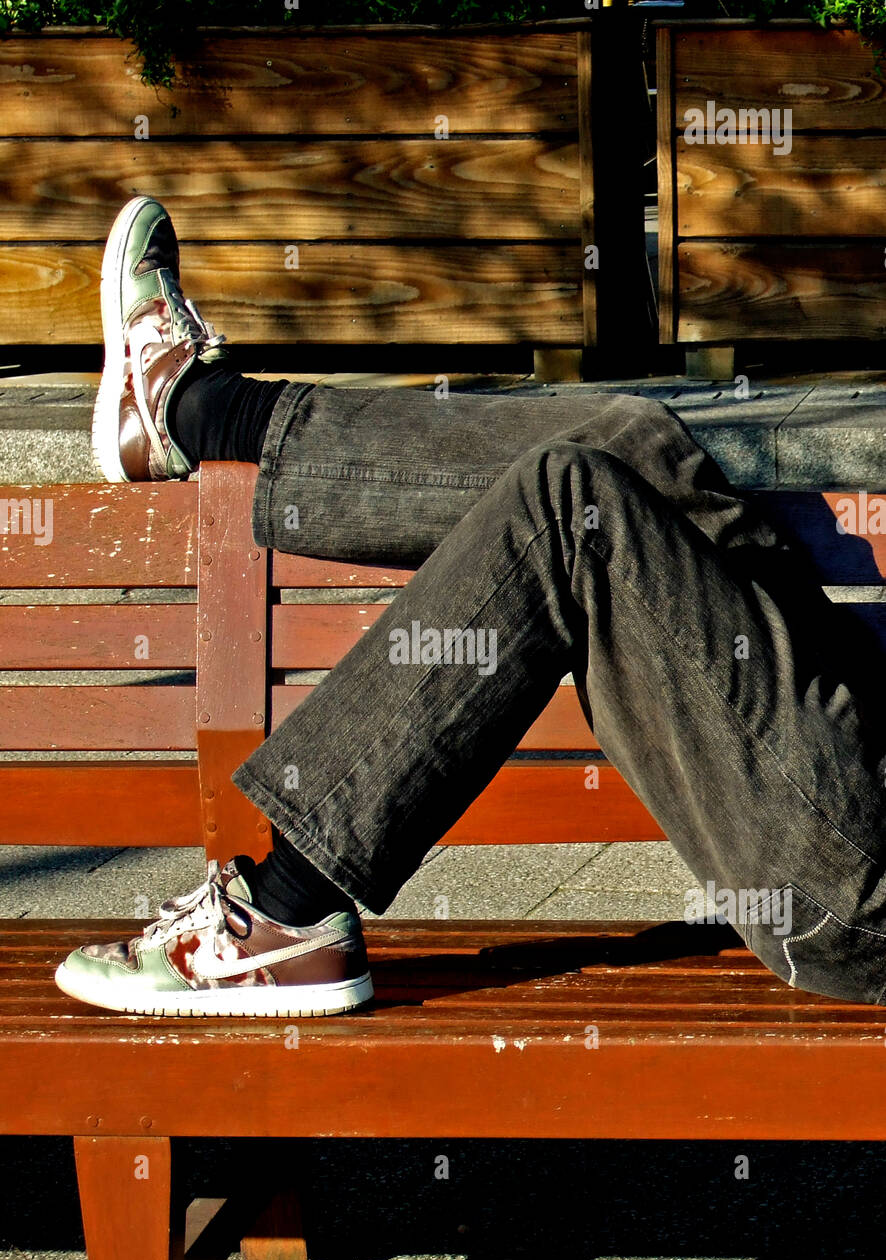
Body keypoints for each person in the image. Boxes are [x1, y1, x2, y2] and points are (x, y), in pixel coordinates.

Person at [55, 196, 886, 1017]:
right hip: (860, 737)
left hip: (859, 876)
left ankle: (283, 914)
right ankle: (189, 411)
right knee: (632, 437)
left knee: (567, 504)